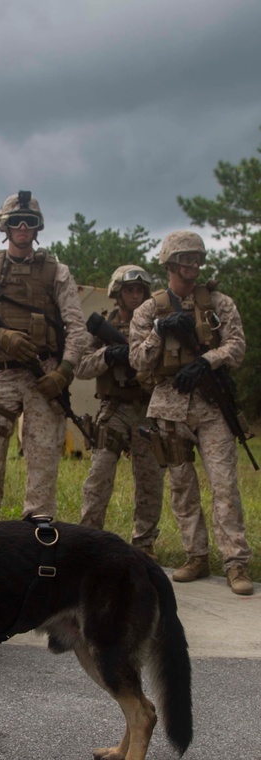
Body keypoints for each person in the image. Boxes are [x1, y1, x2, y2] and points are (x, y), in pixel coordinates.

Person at [129, 231, 254, 596]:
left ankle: (236, 562)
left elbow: (237, 346)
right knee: (182, 488)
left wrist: (206, 361)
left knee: (224, 485)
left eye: (197, 258)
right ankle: (196, 556)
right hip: (169, 406)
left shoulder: (219, 303)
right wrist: (158, 332)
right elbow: (137, 358)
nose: (194, 265)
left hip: (213, 405)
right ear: (170, 264)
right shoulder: (149, 310)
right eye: (186, 259)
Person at [0, 191, 86, 525]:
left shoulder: (57, 272)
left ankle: (38, 538)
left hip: (45, 375)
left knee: (43, 463)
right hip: (3, 375)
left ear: (37, 227)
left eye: (29, 221)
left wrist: (65, 371)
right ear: (6, 227)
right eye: (16, 221)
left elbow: (77, 328)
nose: (22, 227)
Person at [76, 265, 163, 556]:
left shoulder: (155, 327)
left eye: (139, 290)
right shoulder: (103, 326)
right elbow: (82, 367)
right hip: (113, 408)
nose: (135, 296)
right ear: (117, 293)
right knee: (99, 475)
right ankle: (89, 541)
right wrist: (109, 354)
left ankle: (145, 543)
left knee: (150, 478)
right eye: (129, 290)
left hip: (148, 408)